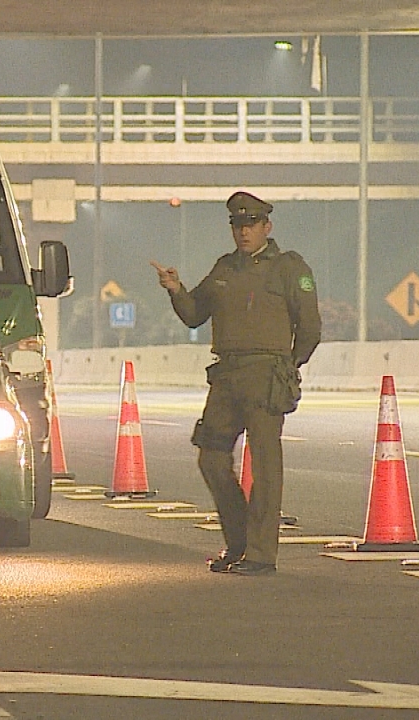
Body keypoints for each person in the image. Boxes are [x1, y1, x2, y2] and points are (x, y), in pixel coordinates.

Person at [150, 191, 321, 577]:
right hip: (226, 377)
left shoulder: (290, 268)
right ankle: (241, 541)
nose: (243, 233)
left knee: (265, 465)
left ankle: (261, 554)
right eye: (237, 226)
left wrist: (288, 365)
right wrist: (176, 289)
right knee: (210, 457)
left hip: (266, 375)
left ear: (267, 227)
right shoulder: (224, 268)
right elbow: (195, 315)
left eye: (251, 226)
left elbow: (310, 327)